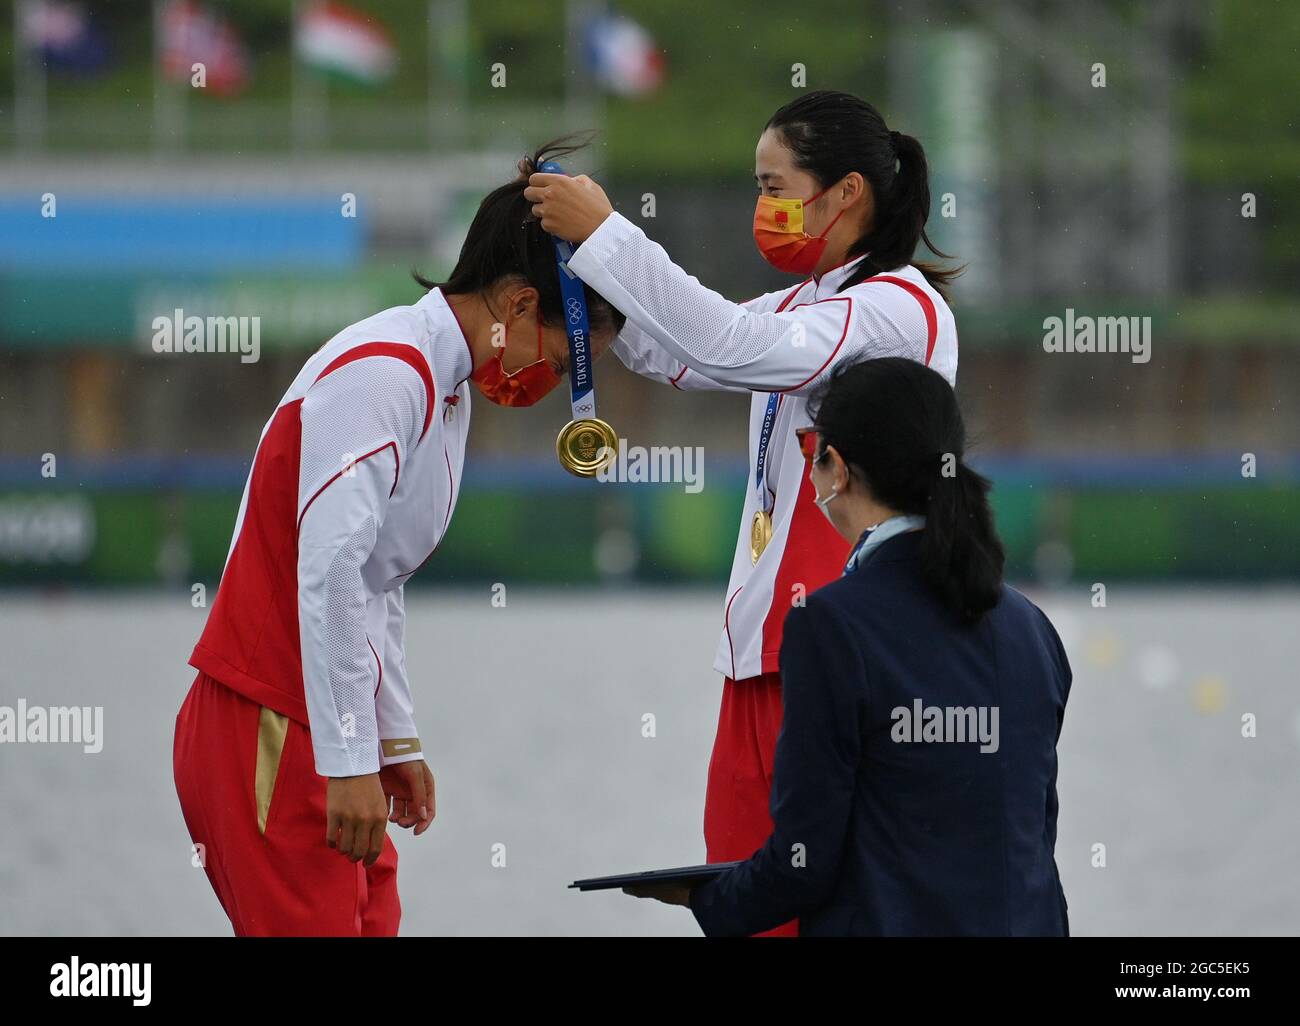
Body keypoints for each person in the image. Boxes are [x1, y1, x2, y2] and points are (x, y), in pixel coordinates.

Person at [526, 90, 960, 935]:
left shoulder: (898, 307)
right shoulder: (802, 307)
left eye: (775, 185)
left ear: (846, 195)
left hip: (847, 665)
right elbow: (678, 355)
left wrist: (610, 233)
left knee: (831, 913)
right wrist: (574, 271)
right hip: (758, 665)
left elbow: (730, 343)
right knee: (750, 919)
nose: (761, 208)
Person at [172, 141, 625, 936]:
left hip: (320, 725)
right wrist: (349, 760)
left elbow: (378, 585)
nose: (547, 383)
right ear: (518, 305)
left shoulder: (444, 388)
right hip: (269, 721)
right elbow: (333, 571)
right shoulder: (384, 375)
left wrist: (393, 738)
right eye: (557, 360)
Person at [625, 358, 1072, 936]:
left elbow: (802, 861)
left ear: (836, 469)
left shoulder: (828, 626)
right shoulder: (1033, 629)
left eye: (812, 456)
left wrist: (704, 899)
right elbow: (1029, 838)